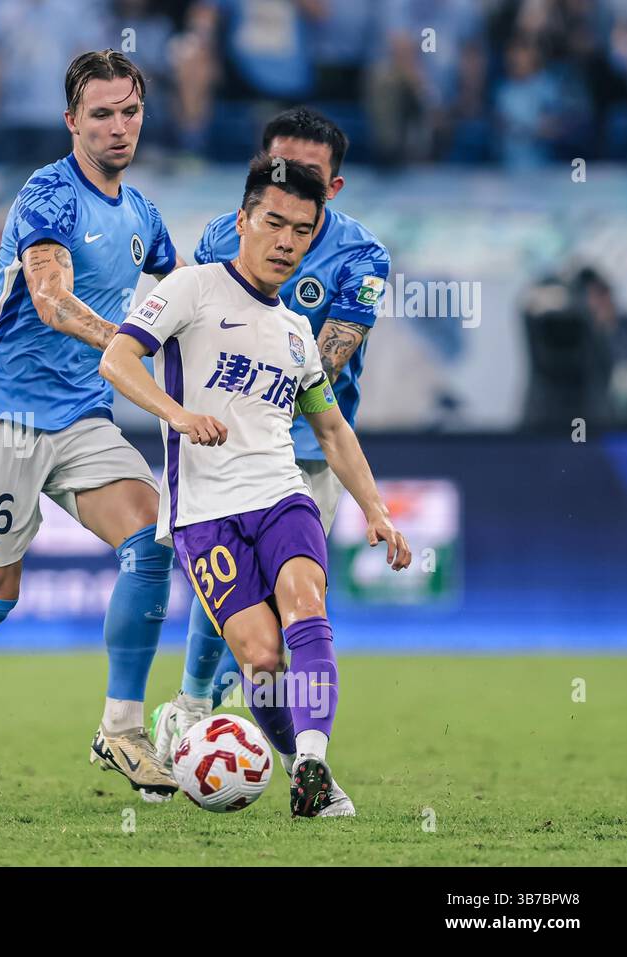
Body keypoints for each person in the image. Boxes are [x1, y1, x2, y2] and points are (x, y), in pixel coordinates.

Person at [101, 153, 411, 816]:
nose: (286, 241)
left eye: (303, 229)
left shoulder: (298, 332)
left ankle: (316, 766)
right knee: (262, 659)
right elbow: (117, 357)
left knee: (306, 603)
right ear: (243, 220)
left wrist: (377, 511)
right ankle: (298, 758)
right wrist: (177, 414)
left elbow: (331, 431)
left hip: (281, 495)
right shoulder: (191, 290)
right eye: (274, 223)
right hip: (204, 513)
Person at [0, 50, 182, 800]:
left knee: (151, 537)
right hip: (2, 421)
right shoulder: (47, 195)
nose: (119, 126)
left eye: (130, 111)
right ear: (72, 122)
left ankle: (121, 728)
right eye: (102, 113)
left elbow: (183, 292)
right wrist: (128, 344)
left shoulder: (143, 214)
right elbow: (53, 301)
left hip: (81, 418)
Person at [152, 107, 390, 787]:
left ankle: (267, 731)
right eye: (276, 167)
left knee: (296, 601)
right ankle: (198, 705)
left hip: (309, 451)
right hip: (219, 443)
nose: (289, 185)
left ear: (332, 190)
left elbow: (331, 360)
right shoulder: (217, 238)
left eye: (307, 176)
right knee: (225, 594)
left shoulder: (362, 255)